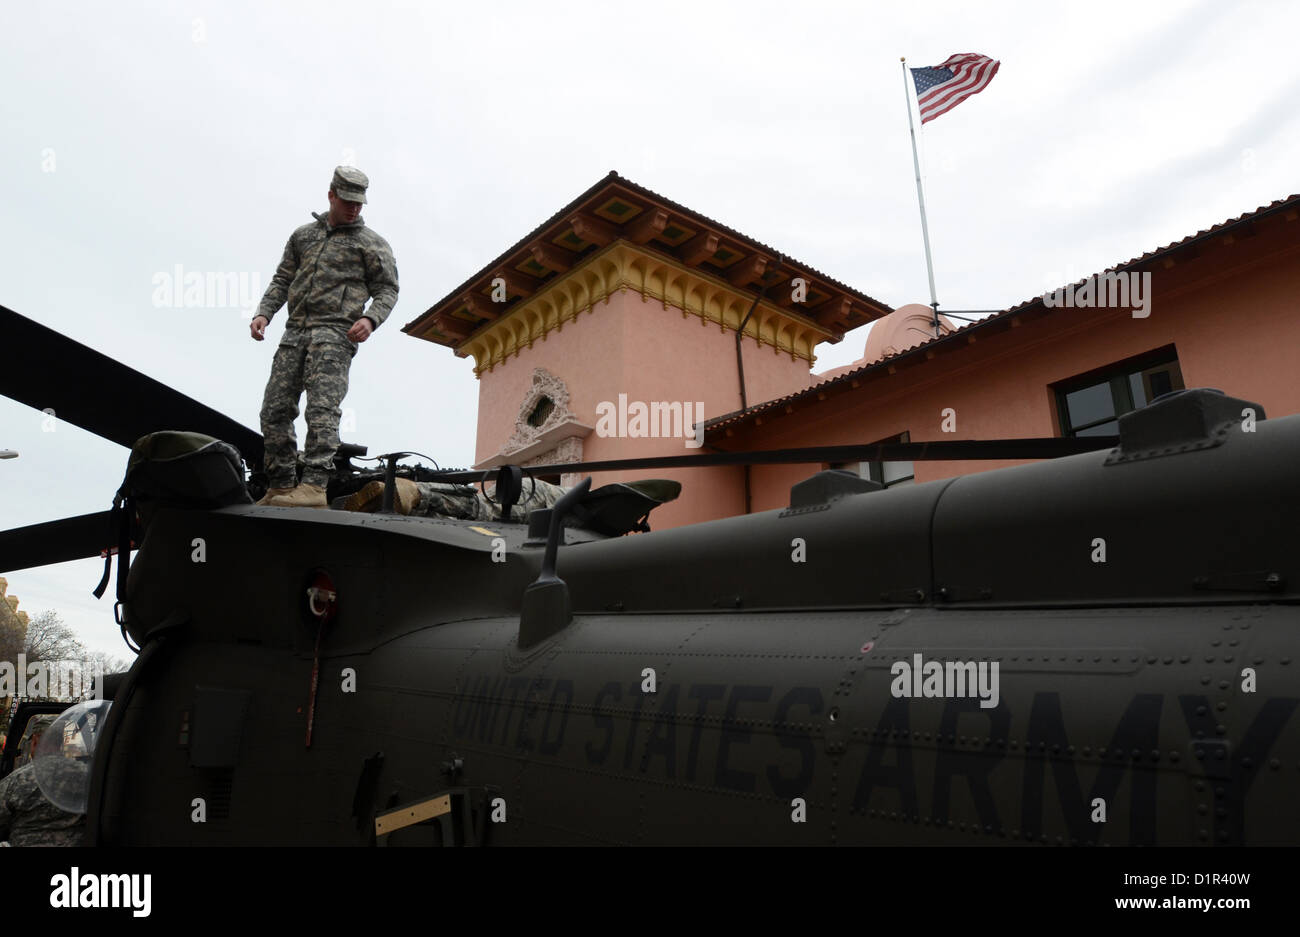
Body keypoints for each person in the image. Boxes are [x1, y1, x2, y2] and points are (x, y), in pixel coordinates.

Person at [250, 166, 399, 508]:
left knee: (321, 410)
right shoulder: (303, 236)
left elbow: (388, 290)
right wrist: (264, 313)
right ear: (331, 195)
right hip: (295, 332)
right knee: (273, 409)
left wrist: (371, 319)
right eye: (347, 201)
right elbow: (282, 279)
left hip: (335, 333)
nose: (354, 209)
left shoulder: (371, 244)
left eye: (360, 203)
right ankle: (281, 485)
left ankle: (314, 486)